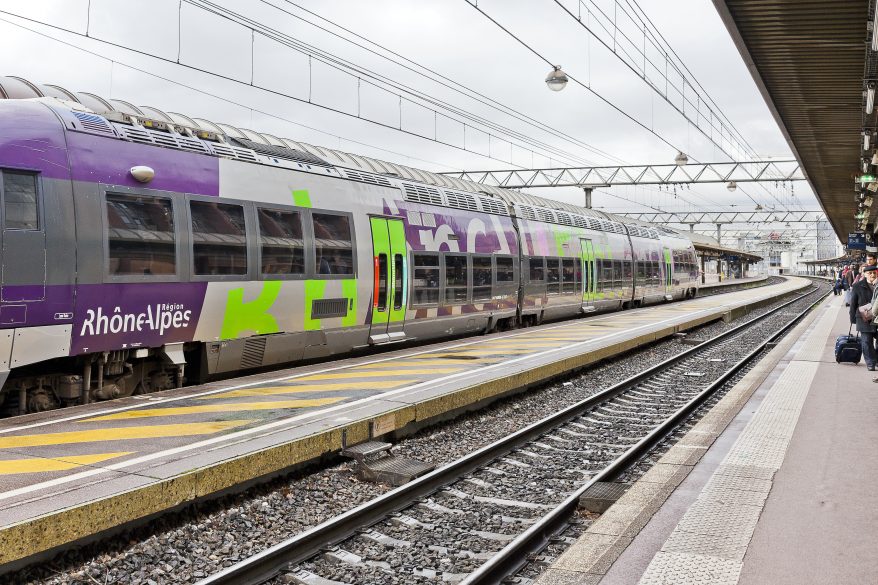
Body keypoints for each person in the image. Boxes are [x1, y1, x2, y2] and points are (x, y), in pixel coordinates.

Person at [851, 266, 878, 370]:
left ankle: (876, 360)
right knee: (866, 341)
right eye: (869, 273)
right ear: (865, 274)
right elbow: (853, 304)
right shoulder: (857, 286)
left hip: (876, 318)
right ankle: (870, 363)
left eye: (874, 273)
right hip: (863, 318)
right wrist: (853, 319)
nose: (872, 275)